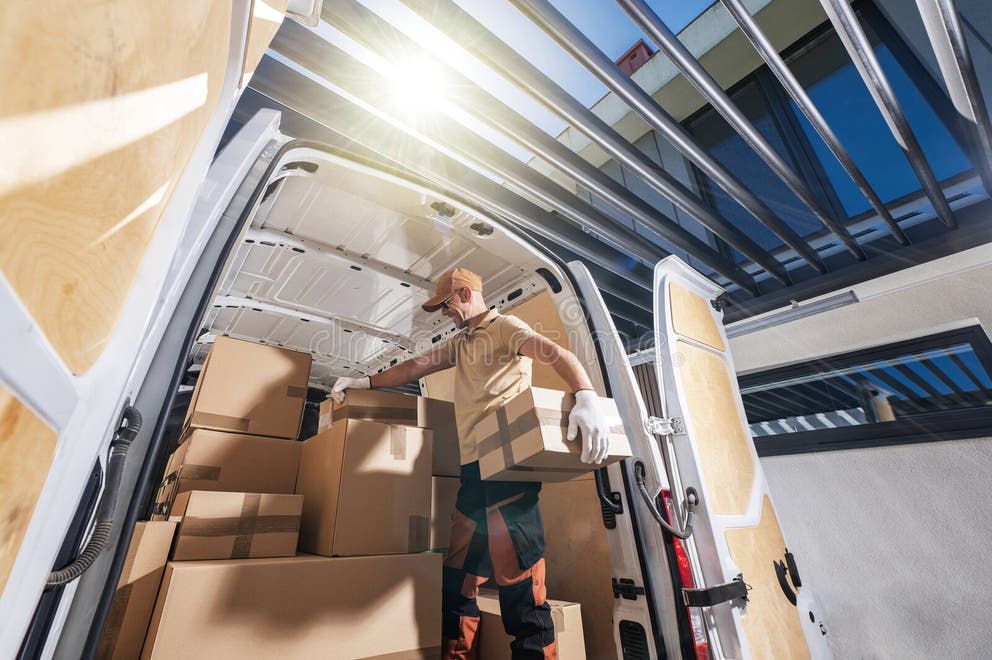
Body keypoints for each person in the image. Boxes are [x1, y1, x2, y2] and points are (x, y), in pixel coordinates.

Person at [331, 267, 609, 660]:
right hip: (473, 472)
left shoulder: (505, 327)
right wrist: (366, 383)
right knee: (459, 577)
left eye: (445, 306)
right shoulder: (462, 343)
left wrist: (585, 395)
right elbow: (416, 367)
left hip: (507, 473)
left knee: (520, 585)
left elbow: (555, 353)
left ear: (463, 294)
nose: (443, 314)